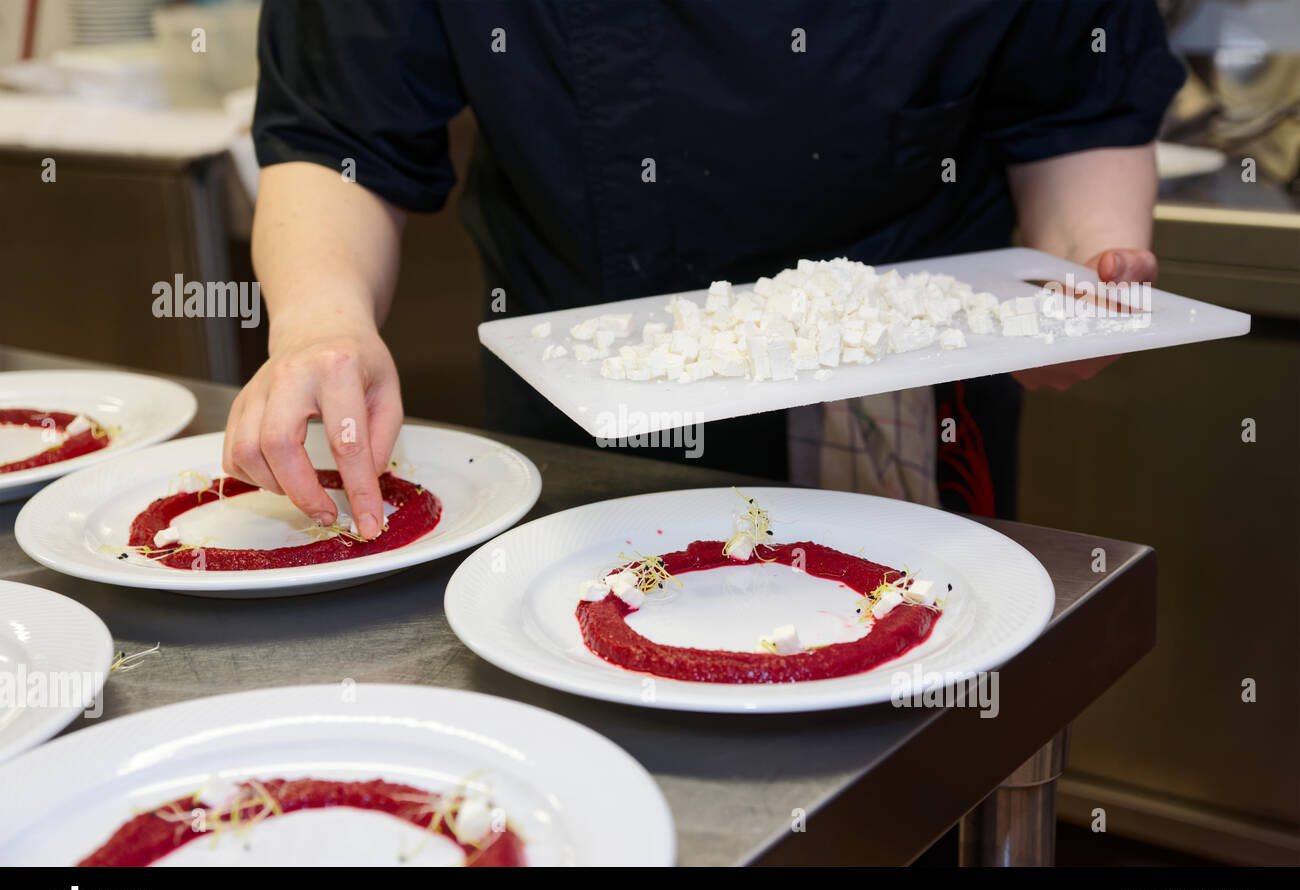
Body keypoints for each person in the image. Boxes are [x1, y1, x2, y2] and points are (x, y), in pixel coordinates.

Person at [231, 0, 1184, 538]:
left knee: (903, 748)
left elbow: (1076, 111)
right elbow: (337, 132)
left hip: (911, 399)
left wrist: (1077, 280)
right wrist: (322, 321)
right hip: (578, 405)